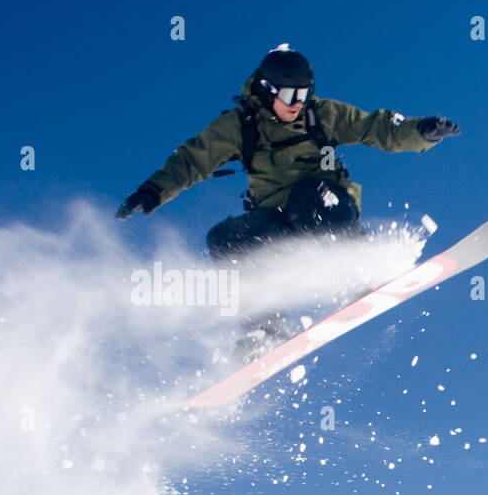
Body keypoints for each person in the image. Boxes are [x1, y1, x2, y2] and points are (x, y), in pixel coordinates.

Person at [116, 44, 459, 359]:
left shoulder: (321, 115)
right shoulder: (238, 127)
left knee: (311, 195)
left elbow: (377, 127)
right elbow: (192, 160)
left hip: (326, 202)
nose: (297, 102)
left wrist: (421, 131)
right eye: (289, 94)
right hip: (277, 217)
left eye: (304, 93)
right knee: (223, 239)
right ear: (266, 91)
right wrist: (153, 190)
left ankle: (361, 274)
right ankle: (266, 330)